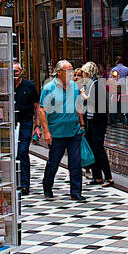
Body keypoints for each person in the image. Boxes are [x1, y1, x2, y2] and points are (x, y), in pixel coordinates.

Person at [36, 59, 86, 201]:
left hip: (74, 131)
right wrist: (46, 131)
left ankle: (76, 192)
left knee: (76, 162)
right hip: (57, 132)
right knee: (54, 162)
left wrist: (82, 125)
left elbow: (78, 106)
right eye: (68, 70)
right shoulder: (49, 88)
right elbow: (42, 110)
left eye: (72, 70)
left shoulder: (74, 87)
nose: (71, 73)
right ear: (59, 72)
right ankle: (47, 187)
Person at [81, 61, 113, 186]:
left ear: (88, 73)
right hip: (90, 121)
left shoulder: (97, 84)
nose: (82, 74)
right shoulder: (90, 84)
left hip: (98, 123)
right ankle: (97, 176)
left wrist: (84, 96)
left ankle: (108, 177)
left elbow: (96, 103)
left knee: (98, 149)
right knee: (92, 148)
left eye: (84, 72)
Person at [13, 61, 39, 195]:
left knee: (23, 151)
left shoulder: (29, 86)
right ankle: (14, 181)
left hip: (25, 122)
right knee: (12, 153)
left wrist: (38, 126)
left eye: (16, 71)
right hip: (10, 124)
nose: (14, 74)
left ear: (21, 72)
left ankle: (25, 184)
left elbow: (37, 106)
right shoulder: (7, 86)